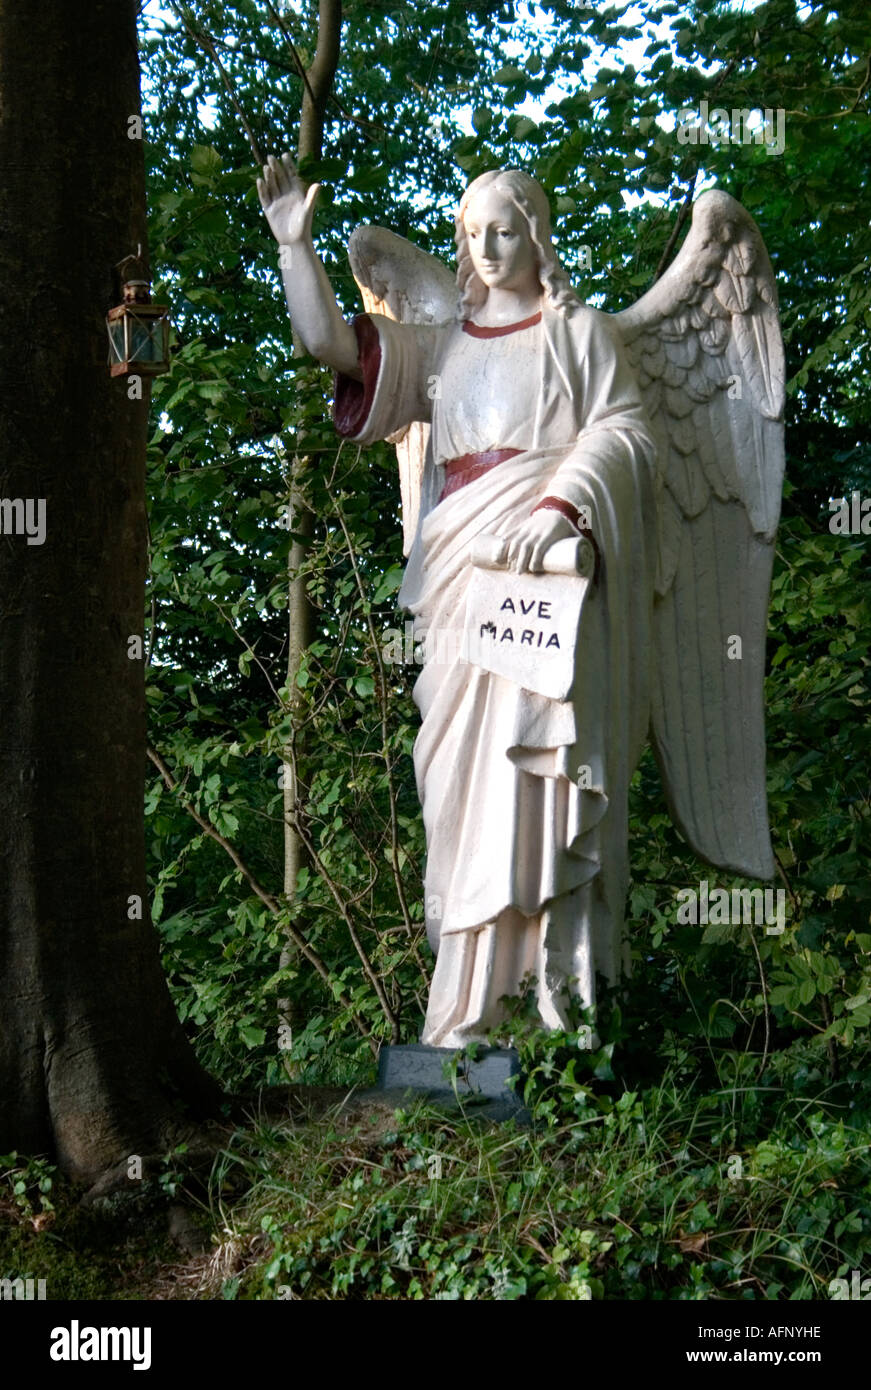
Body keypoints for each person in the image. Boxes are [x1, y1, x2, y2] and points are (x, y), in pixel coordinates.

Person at [259, 156, 657, 1048]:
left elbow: (626, 433)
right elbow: (329, 343)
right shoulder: (440, 348)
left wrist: (558, 504)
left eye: (504, 229)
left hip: (549, 582)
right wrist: (295, 249)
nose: (485, 247)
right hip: (459, 585)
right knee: (458, 795)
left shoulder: (579, 334)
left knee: (538, 782)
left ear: (536, 232)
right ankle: (465, 1012)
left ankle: (551, 1014)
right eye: (471, 233)